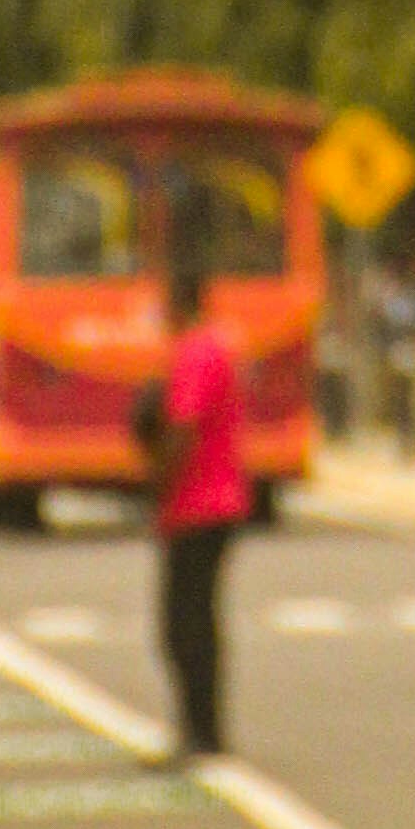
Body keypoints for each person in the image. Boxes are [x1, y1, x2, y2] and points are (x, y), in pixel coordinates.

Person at [148, 246, 248, 764]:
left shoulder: (195, 352)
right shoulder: (211, 347)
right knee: (195, 619)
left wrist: (156, 479)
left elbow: (183, 428)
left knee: (182, 623)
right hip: (213, 502)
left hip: (199, 504)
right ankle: (201, 730)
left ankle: (200, 731)